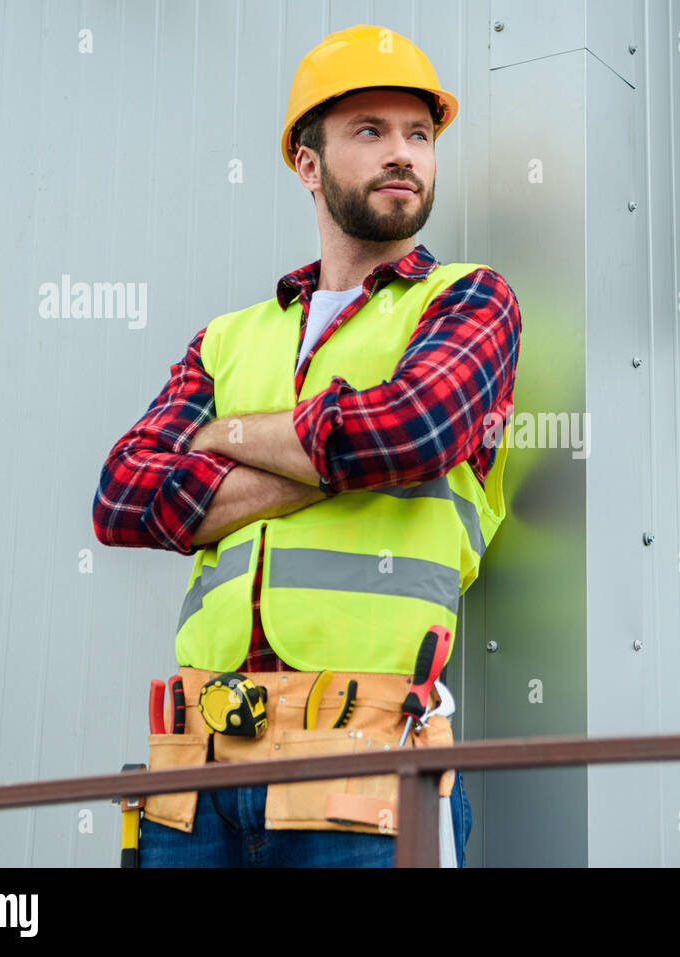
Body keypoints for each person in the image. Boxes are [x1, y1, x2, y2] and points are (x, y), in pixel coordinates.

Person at [92, 23, 521, 867]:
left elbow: (412, 430)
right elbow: (123, 496)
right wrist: (345, 456)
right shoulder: (227, 339)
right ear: (307, 162)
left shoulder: (470, 301)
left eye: (420, 135)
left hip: (366, 772)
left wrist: (221, 438)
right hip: (198, 775)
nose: (403, 154)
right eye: (371, 131)